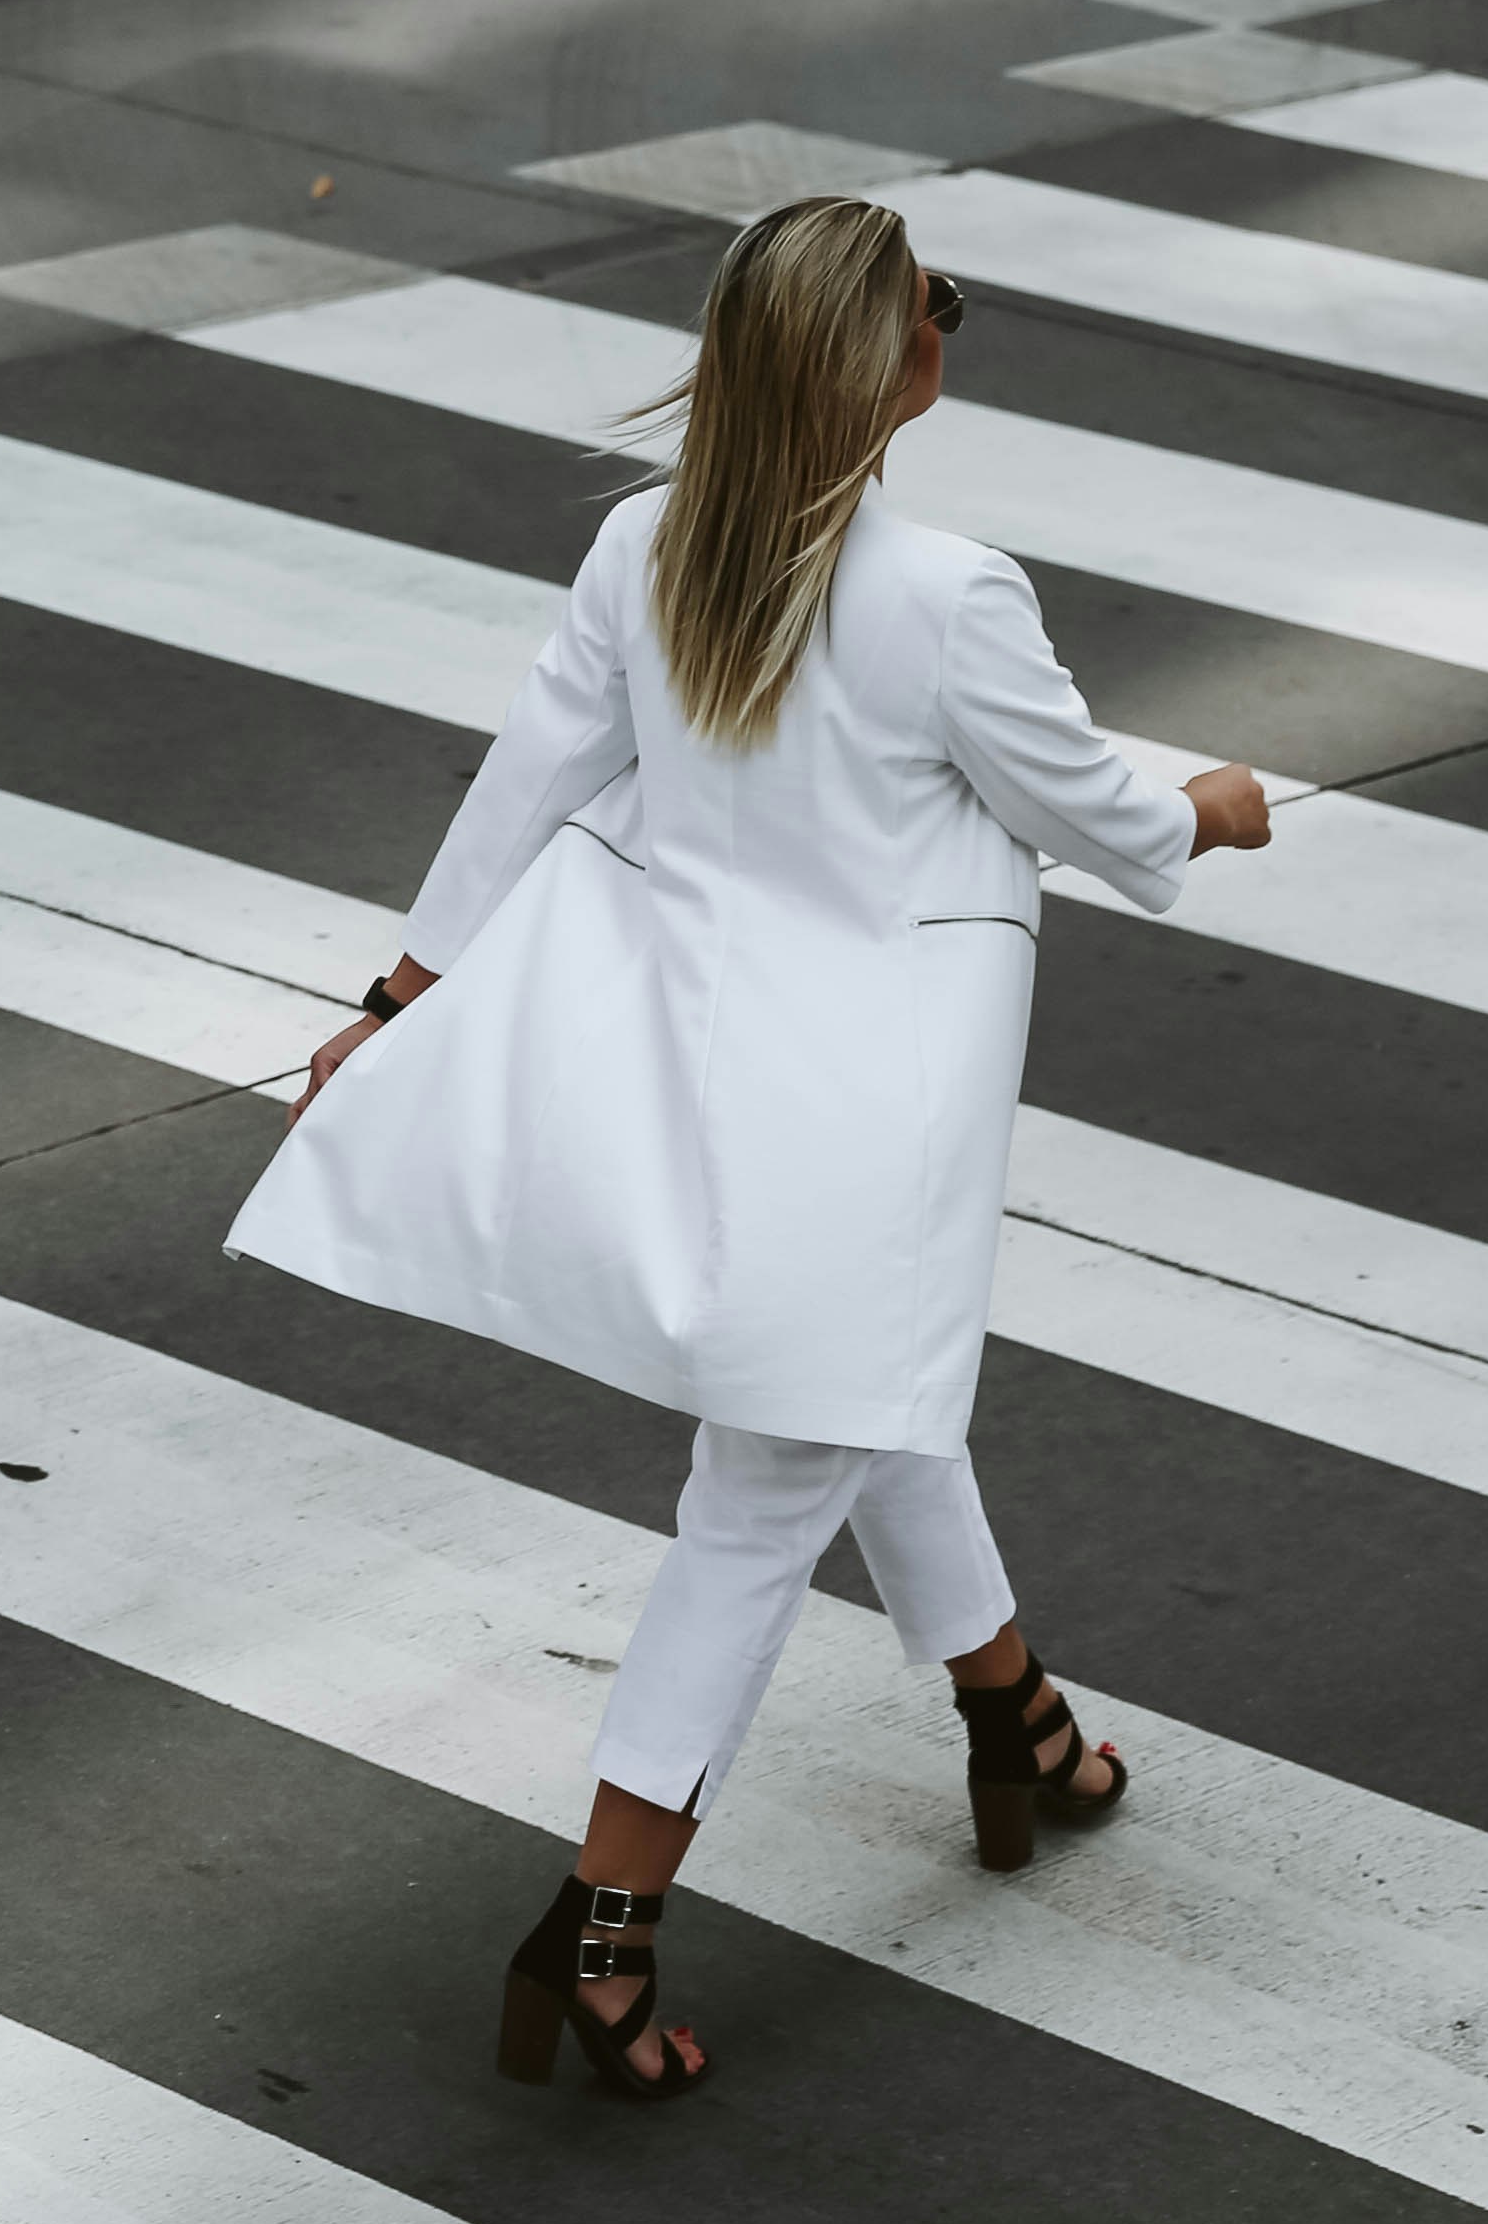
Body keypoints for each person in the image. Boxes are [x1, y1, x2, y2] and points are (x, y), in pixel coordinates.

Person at [225, 195, 1273, 2101]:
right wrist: (1216, 805)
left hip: (713, 1095)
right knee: (764, 1500)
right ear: (886, 367)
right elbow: (1091, 808)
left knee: (873, 1411)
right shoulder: (950, 592)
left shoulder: (647, 549)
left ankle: (1018, 1723)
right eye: (937, 303)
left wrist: (393, 1003)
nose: (953, 322)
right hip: (864, 1130)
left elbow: (522, 787)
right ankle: (602, 1926)